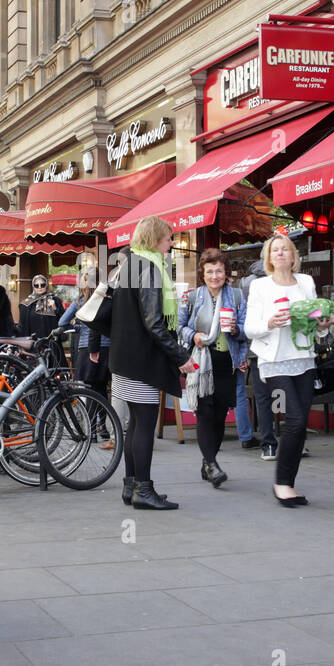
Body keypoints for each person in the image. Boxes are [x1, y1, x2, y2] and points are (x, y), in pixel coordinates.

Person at [244, 232, 334, 507]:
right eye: (275, 250)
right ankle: (281, 484)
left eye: (285, 249)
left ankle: (288, 484)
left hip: (304, 360)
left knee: (301, 423)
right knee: (293, 419)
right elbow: (250, 328)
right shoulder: (260, 287)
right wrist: (270, 322)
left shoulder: (306, 283)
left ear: (294, 256)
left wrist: (322, 325)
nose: (281, 253)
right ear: (269, 259)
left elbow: (315, 319)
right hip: (274, 363)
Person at [109, 216, 192, 510]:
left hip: (124, 358)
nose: (172, 244)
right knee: (145, 424)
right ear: (156, 238)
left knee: (134, 424)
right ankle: (143, 490)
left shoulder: (129, 265)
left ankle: (131, 486)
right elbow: (155, 323)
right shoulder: (150, 268)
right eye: (169, 238)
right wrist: (181, 356)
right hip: (142, 360)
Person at [178, 248, 248, 487]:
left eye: (219, 271)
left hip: (226, 361)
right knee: (205, 413)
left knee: (219, 415)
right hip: (200, 360)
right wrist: (194, 334)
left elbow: (246, 329)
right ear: (203, 273)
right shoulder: (192, 297)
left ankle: (208, 462)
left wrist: (237, 330)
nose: (215, 276)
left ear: (226, 273)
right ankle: (211, 463)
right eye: (210, 271)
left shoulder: (237, 296)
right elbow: (179, 328)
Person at [59, 267, 115, 450]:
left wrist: (79, 329)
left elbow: (62, 322)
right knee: (102, 389)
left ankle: (91, 429)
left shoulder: (79, 301)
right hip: (106, 348)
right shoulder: (106, 298)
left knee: (91, 390)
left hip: (86, 349)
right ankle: (103, 429)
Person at [241, 258, 278, 459]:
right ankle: (287, 443)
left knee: (264, 398)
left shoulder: (247, 282)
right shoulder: (273, 281)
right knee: (283, 397)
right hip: (276, 347)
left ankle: (269, 444)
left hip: (257, 349)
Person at [19, 273, 65, 338]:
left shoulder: (55, 300)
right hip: (33, 341)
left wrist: (55, 308)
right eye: (36, 285)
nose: (39, 287)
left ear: (46, 285)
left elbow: (62, 320)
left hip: (51, 340)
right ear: (33, 287)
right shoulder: (26, 304)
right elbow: (23, 326)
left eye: (42, 285)